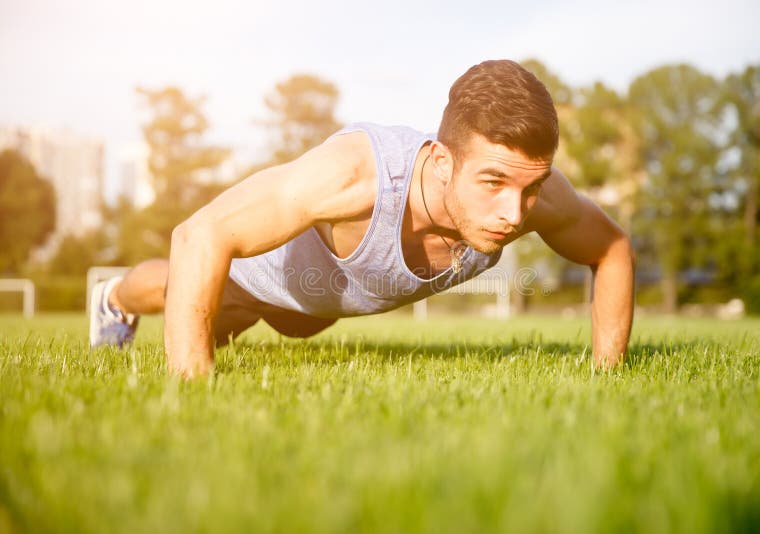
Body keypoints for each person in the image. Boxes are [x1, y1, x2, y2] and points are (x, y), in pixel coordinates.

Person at [89, 59, 635, 378]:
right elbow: (199, 233)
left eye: (531, 188)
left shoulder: (528, 186)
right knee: (172, 289)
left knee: (303, 320)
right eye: (492, 183)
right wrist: (191, 393)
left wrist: (606, 373)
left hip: (324, 305)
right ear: (443, 163)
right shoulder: (357, 172)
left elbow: (610, 249)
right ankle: (112, 299)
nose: (514, 214)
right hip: (262, 281)